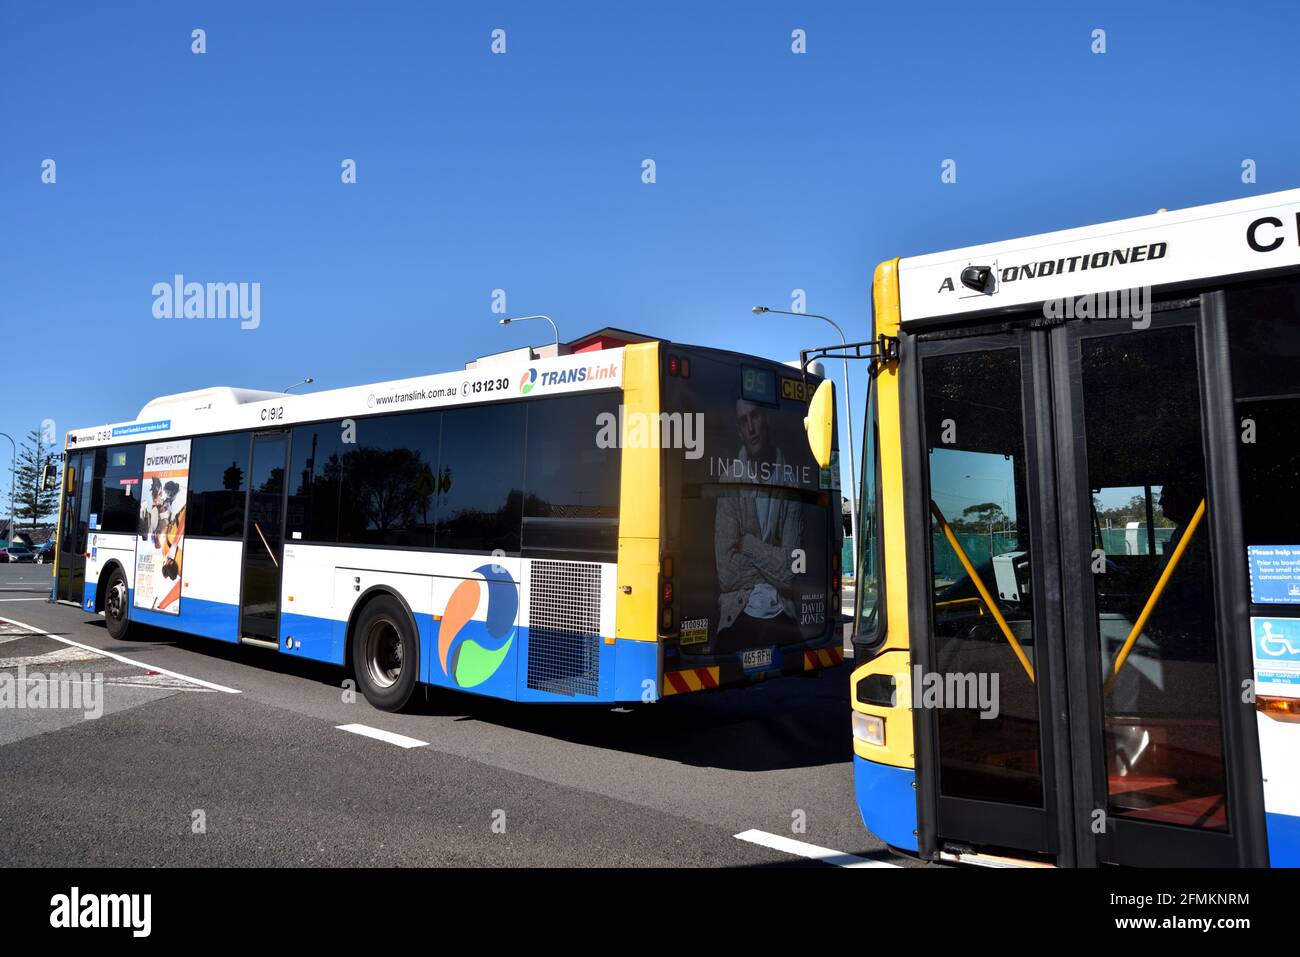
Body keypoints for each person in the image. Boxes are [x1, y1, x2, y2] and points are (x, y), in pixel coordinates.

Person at [713, 394, 804, 652]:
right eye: (744, 421)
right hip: (738, 613)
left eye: (755, 416)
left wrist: (748, 544)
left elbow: (792, 572)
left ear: (767, 420)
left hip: (783, 614)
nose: (751, 427)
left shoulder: (791, 484)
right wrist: (775, 563)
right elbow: (727, 573)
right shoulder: (729, 481)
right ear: (740, 432)